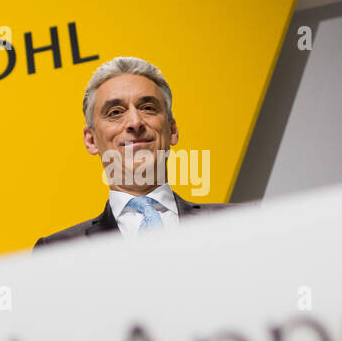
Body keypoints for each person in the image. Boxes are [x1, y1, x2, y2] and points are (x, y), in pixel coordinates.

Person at [33, 57, 234, 249]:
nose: (135, 122)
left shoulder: (235, 223)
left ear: (172, 130)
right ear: (91, 140)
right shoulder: (57, 251)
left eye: (147, 108)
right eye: (115, 112)